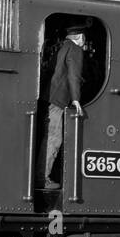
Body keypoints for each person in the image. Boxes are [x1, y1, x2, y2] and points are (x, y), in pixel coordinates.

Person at [43, 23, 88, 191]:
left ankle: (42, 176)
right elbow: (74, 75)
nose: (85, 40)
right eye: (84, 37)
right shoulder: (75, 50)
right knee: (54, 138)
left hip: (49, 96)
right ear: (80, 37)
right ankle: (43, 178)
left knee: (48, 137)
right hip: (59, 99)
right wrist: (76, 99)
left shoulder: (62, 47)